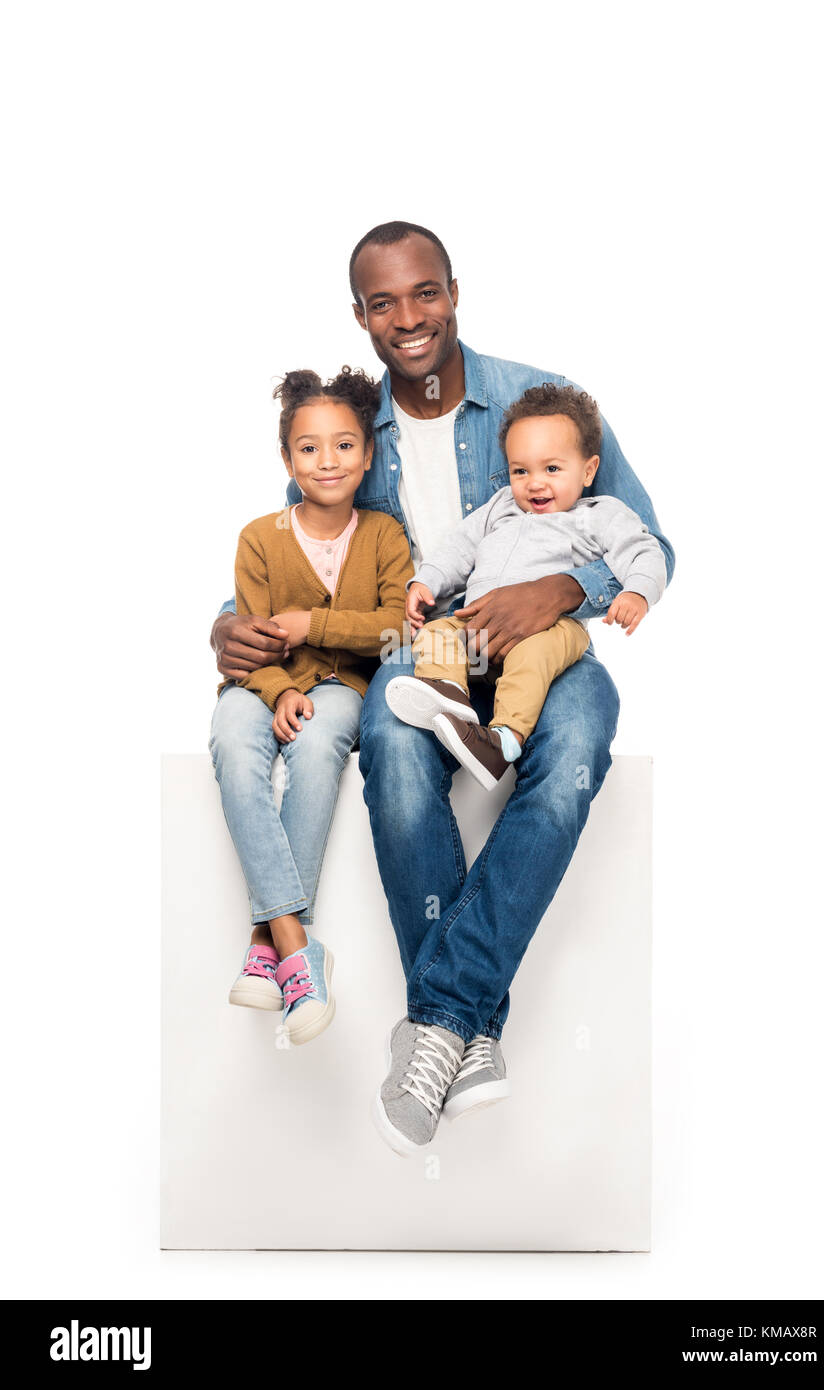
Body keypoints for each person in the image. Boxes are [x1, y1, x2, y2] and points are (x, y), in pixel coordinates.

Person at [211, 222, 674, 1154]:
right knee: (390, 742)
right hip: (421, 651)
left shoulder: (538, 404)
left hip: (549, 644)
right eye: (383, 303)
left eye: (424, 293)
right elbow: (312, 539)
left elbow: (648, 545)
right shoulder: (354, 428)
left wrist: (561, 588)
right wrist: (227, 619)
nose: (408, 318)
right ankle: (468, 1030)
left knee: (578, 753)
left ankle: (438, 1023)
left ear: (454, 291)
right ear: (360, 317)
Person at [209, 366, 412, 1046]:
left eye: (345, 445)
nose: (327, 461)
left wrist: (311, 626)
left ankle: (266, 944)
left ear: (368, 453)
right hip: (259, 685)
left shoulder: (384, 535)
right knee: (234, 745)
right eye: (308, 448)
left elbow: (394, 628)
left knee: (321, 747)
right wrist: (277, 688)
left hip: (342, 688)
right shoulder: (259, 537)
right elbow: (253, 636)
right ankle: (297, 943)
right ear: (285, 457)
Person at [384, 383, 667, 789]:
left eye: (552, 469)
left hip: (552, 629)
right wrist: (425, 582)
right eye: (521, 470)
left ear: (588, 470)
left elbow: (644, 550)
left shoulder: (598, 515)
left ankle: (502, 741)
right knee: (435, 633)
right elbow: (458, 547)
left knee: (533, 656)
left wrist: (637, 591)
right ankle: (449, 697)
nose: (535, 483)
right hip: (478, 625)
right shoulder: (501, 506)